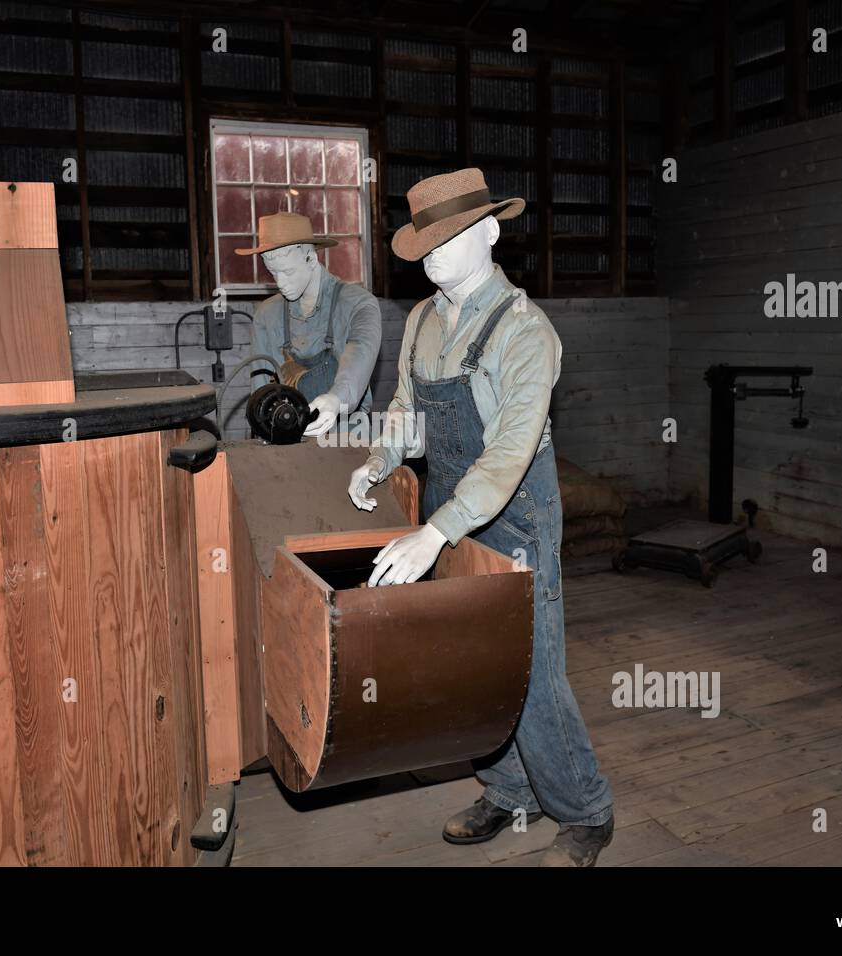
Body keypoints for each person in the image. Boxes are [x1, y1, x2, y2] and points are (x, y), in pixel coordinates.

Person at [346, 168, 615, 867]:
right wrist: (379, 459)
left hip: (514, 516)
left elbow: (508, 454)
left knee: (533, 669)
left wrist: (436, 533)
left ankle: (584, 810)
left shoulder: (527, 334)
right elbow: (408, 411)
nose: (432, 255)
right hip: (445, 509)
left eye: (449, 237)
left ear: (491, 231)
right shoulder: (421, 321)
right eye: (423, 242)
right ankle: (508, 792)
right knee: (469, 662)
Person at [237, 212, 381, 438]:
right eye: (273, 273)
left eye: (288, 271)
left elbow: (358, 359)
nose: (281, 283)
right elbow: (260, 389)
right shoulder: (267, 315)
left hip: (347, 438)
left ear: (311, 259)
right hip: (290, 442)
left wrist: (335, 400)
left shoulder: (358, 304)